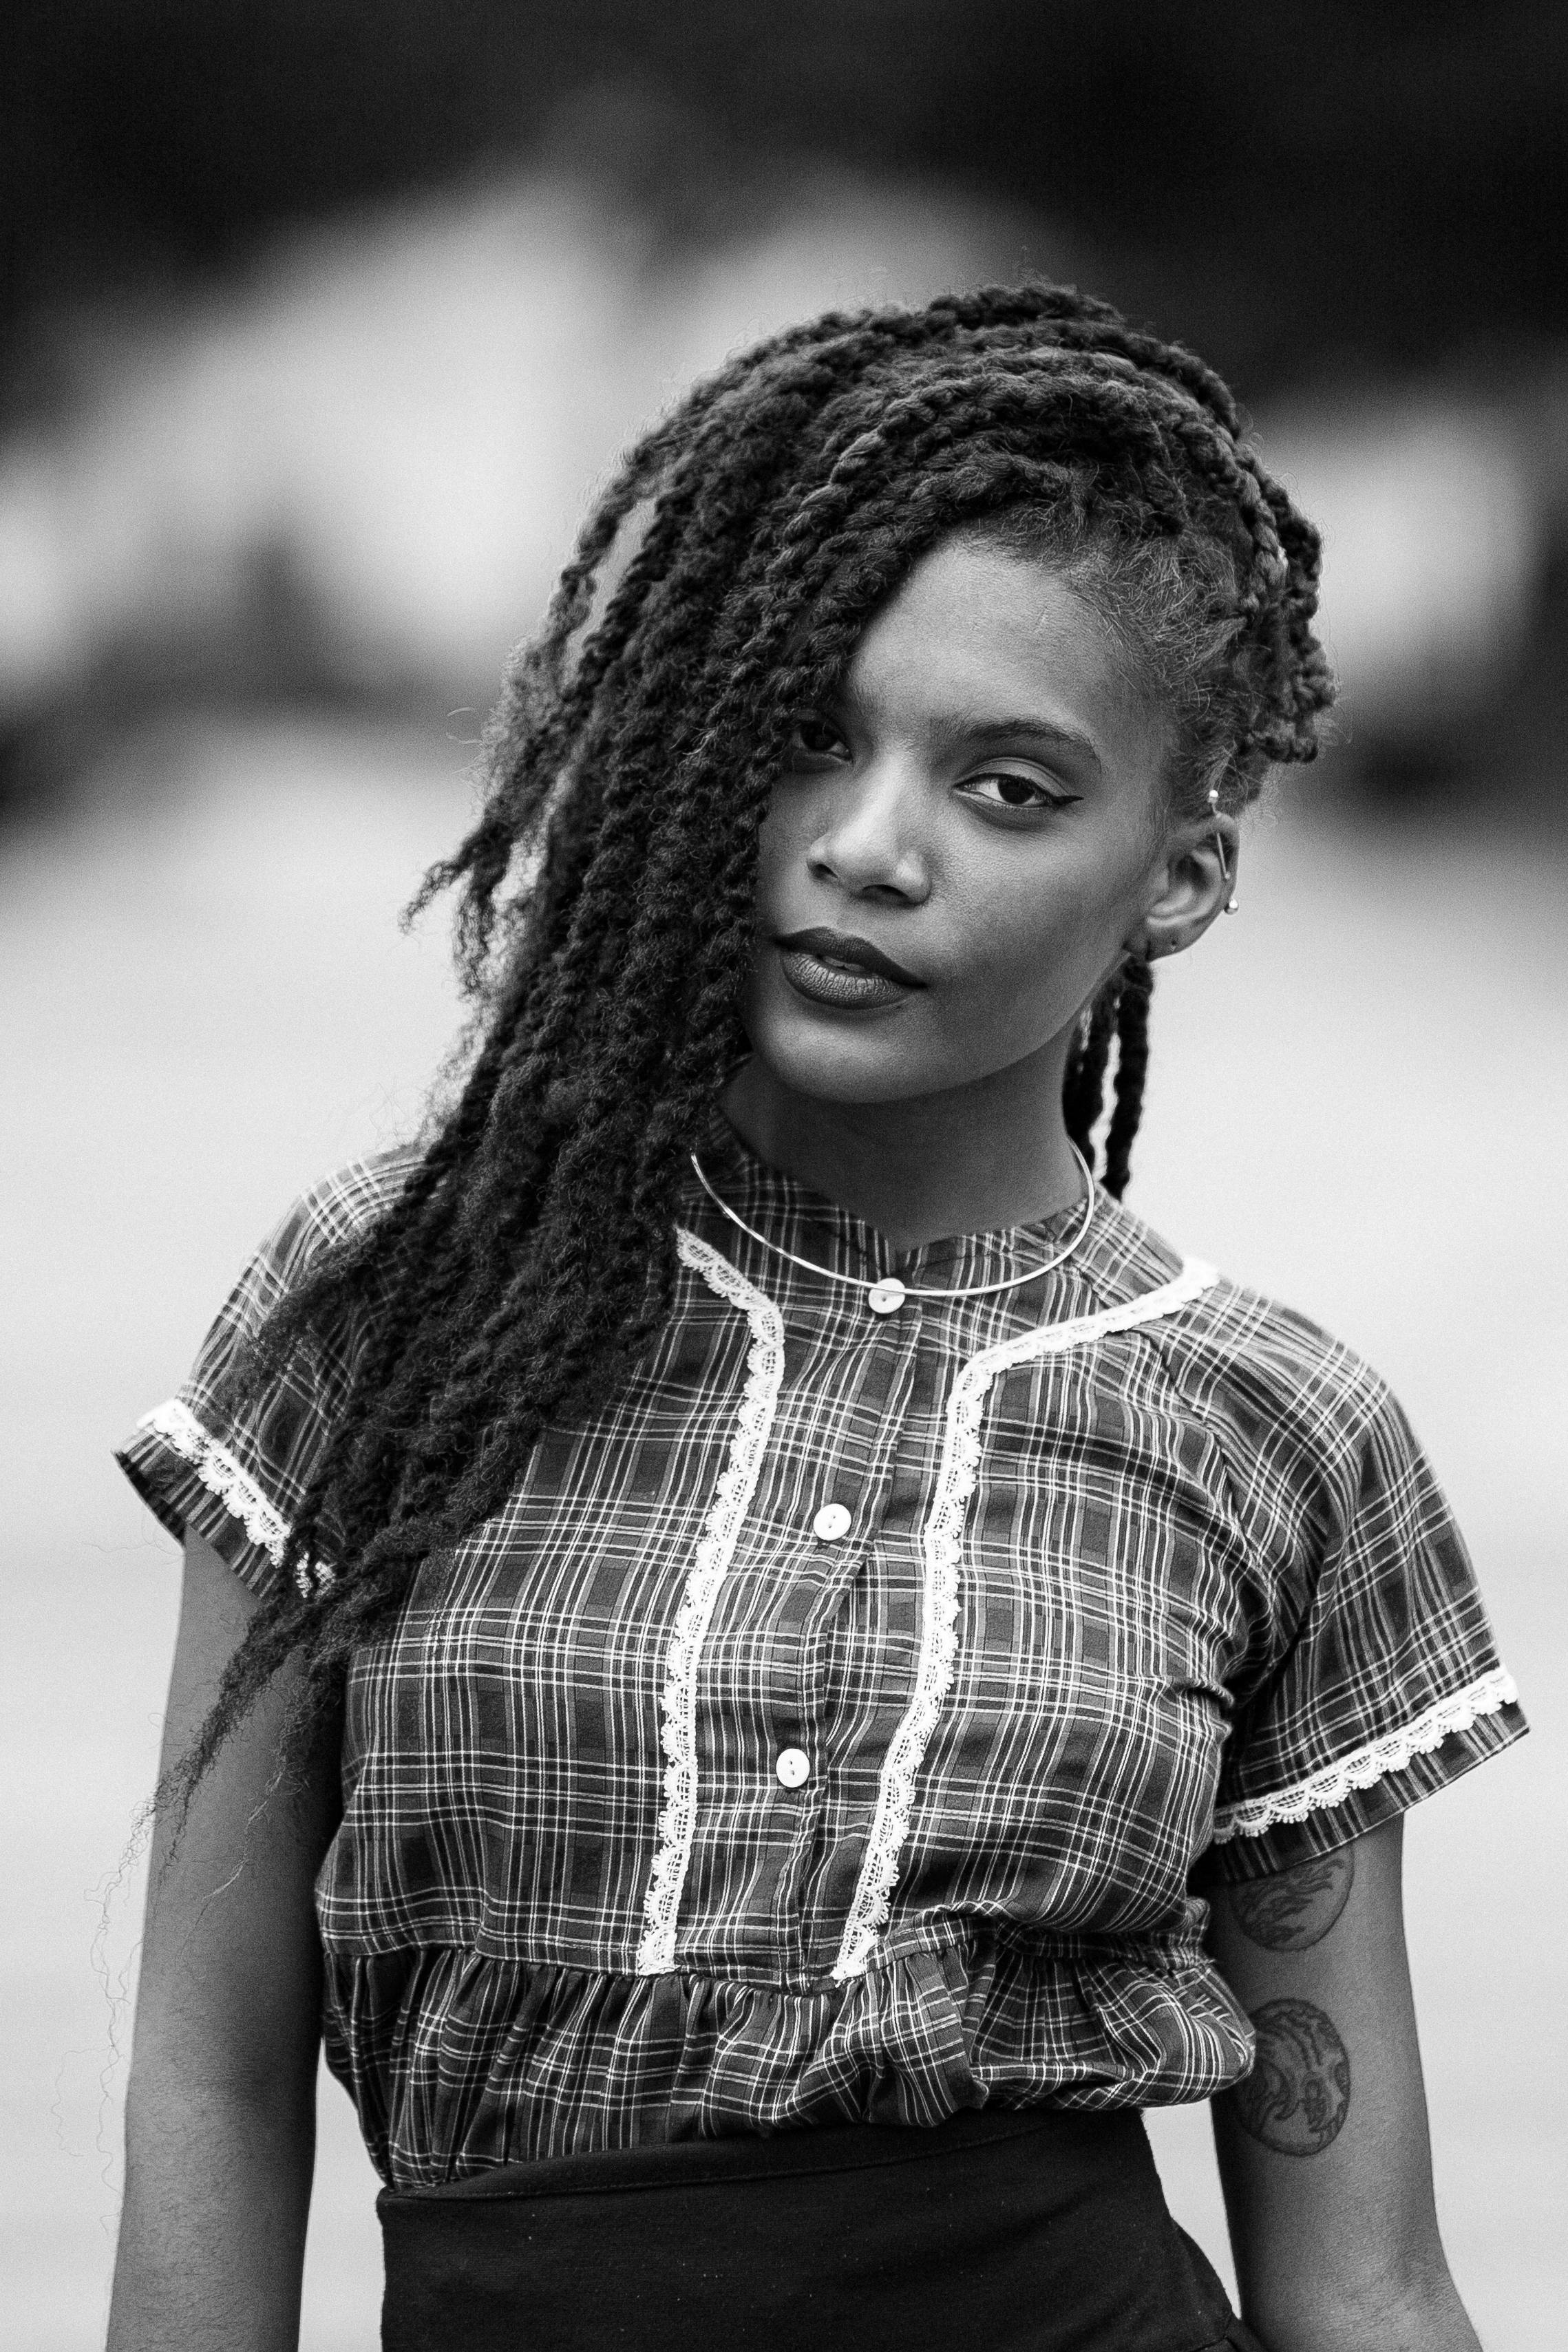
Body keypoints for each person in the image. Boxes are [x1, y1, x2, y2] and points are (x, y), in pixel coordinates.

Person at [107, 283, 1525, 2352]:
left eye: (1012, 786)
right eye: (805, 739)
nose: (867, 848)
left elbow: (1364, 2268)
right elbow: (209, 2070)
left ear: (1184, 872)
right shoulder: (402, 1302)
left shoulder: (1273, 1428)